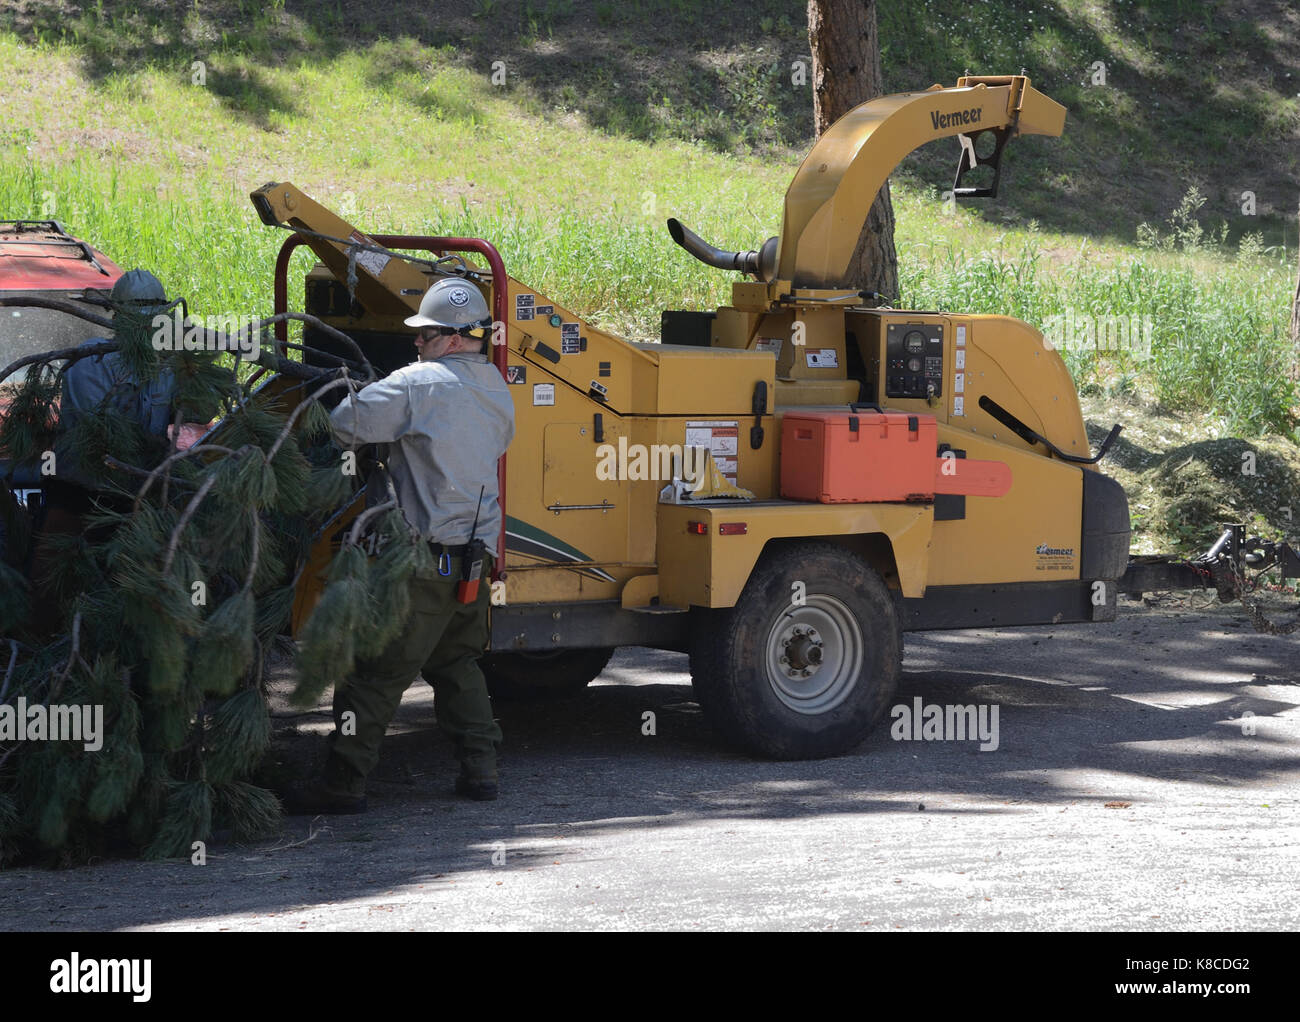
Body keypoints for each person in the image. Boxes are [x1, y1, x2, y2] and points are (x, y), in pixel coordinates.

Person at [283, 276, 514, 814]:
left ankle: (341, 786)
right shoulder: (497, 386)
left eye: (426, 334)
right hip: (474, 564)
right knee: (457, 666)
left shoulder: (418, 383)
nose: (416, 342)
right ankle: (482, 772)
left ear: (454, 337)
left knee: (373, 675)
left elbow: (344, 424)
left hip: (420, 565)